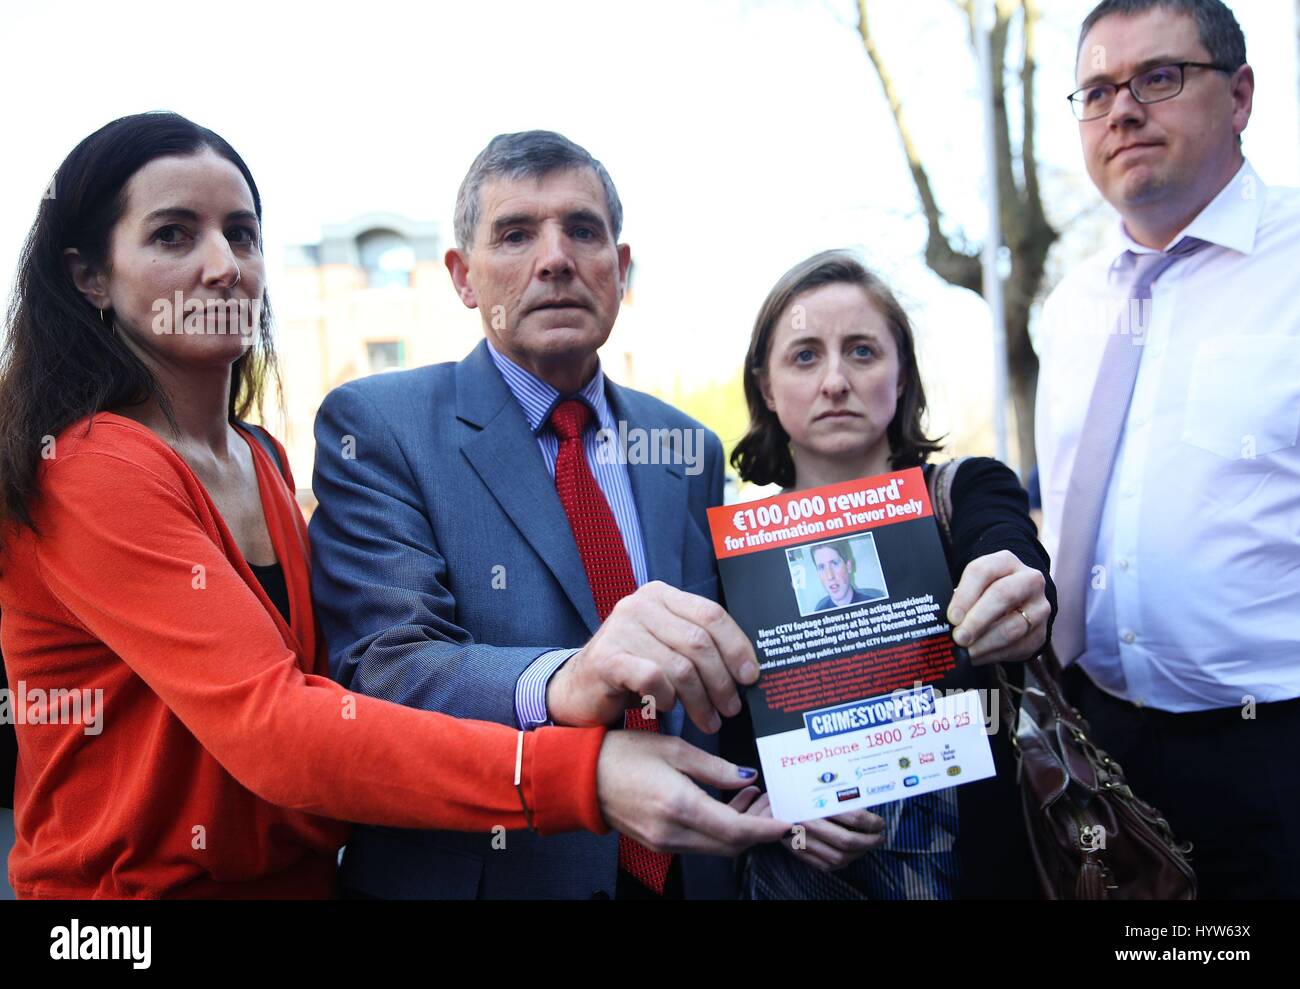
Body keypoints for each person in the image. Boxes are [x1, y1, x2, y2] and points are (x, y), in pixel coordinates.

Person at [0, 113, 780, 899]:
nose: (222, 267)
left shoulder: (262, 458)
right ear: (89, 275)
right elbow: (291, 718)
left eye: (242, 235)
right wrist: (580, 762)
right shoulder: (94, 465)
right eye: (173, 235)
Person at [309, 130, 789, 900]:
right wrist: (567, 677)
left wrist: (810, 784)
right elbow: (384, 668)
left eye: (583, 229)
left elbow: (718, 683)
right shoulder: (378, 425)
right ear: (463, 278)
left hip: (687, 875)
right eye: (516, 233)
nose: (556, 257)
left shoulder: (687, 449)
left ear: (621, 270)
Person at [1039, 0, 1300, 898]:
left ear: (1239, 95)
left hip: (1273, 756)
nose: (1123, 110)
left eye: (1158, 78)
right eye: (1098, 90)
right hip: (1102, 746)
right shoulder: (1069, 309)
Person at [727, 250, 1056, 898]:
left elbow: (1010, 550)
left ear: (901, 374)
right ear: (766, 386)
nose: (834, 381)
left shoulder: (967, 490)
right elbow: (726, 752)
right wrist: (759, 816)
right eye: (804, 355)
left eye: (862, 351)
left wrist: (1020, 589)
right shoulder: (733, 551)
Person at [810, 540, 885, 611]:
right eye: (821, 567)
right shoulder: (819, 612)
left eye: (835, 563)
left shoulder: (876, 604)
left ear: (848, 566)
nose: (830, 576)